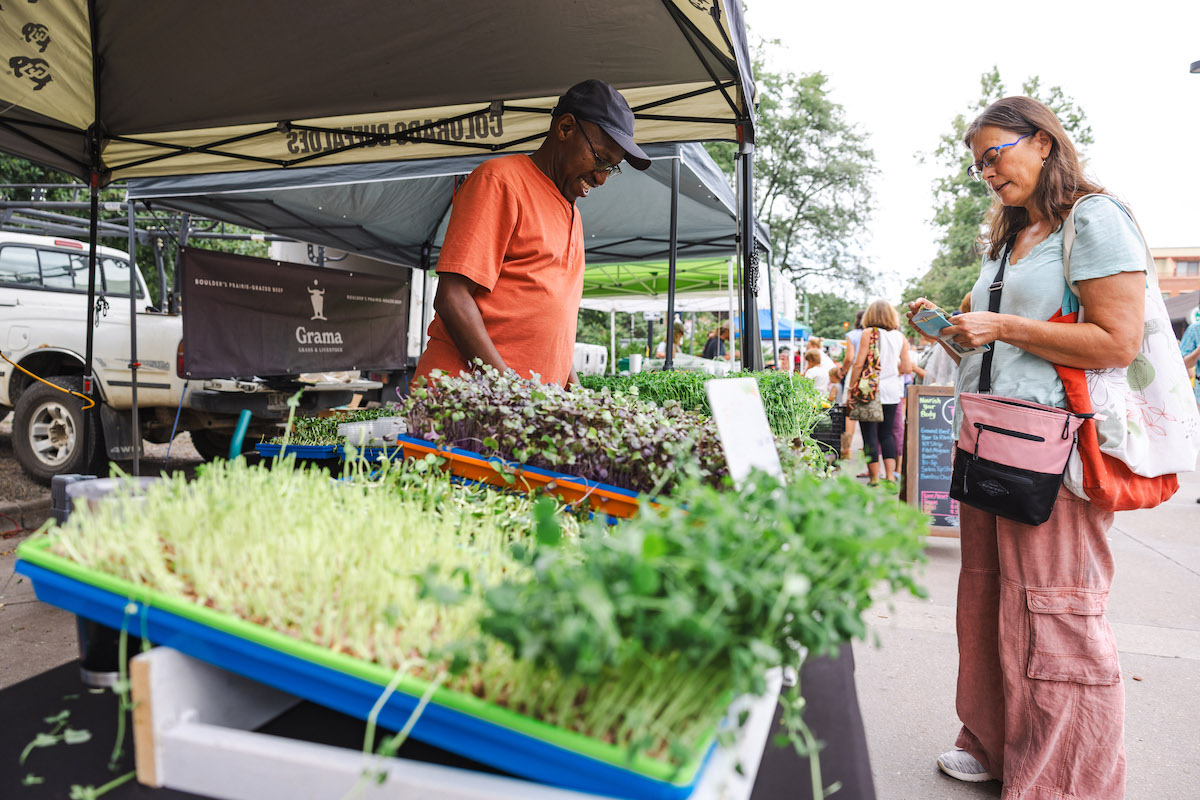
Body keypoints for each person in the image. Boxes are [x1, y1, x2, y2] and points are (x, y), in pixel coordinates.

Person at [908, 96, 1147, 798]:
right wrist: (956, 331)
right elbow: (1007, 338)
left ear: (1042, 142)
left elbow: (1118, 340)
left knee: (1055, 609)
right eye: (976, 162)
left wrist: (1004, 327)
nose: (984, 171)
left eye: (994, 153)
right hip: (990, 433)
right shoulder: (1015, 235)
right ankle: (994, 741)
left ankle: (1066, 779)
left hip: (1054, 446)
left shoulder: (1095, 218)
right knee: (986, 600)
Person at [413, 80, 650, 386]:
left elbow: (553, 329)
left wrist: (574, 394)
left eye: (612, 168)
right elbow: (452, 298)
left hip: (522, 408)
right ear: (565, 128)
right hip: (465, 399)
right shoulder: (500, 181)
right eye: (601, 159)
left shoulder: (572, 213)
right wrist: (511, 390)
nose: (602, 178)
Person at [846, 300, 912, 486]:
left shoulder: (869, 333)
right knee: (887, 434)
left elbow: (859, 363)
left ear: (871, 316)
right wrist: (891, 370)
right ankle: (890, 477)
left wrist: (852, 388)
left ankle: (874, 478)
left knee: (869, 434)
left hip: (870, 390)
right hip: (892, 391)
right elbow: (907, 367)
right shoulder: (900, 337)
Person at [840, 310, 866, 460]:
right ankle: (866, 447)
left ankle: (847, 449)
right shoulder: (875, 334)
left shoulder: (852, 335)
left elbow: (849, 357)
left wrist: (843, 370)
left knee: (850, 413)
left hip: (854, 375)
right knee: (868, 412)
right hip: (871, 375)